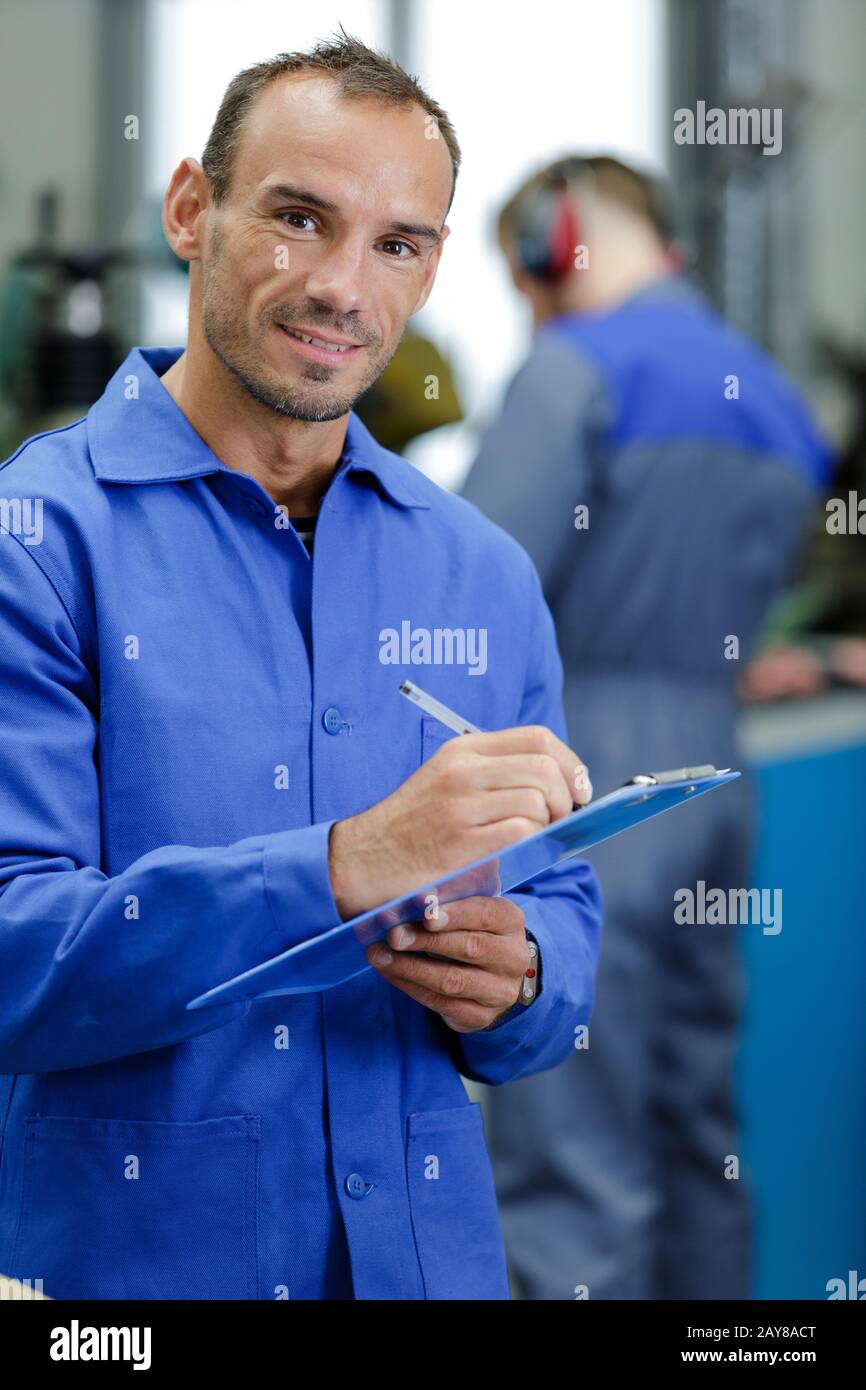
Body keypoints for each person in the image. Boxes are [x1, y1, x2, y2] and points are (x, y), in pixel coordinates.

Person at [0, 37, 601, 1302]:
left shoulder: (479, 573)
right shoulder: (42, 544)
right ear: (188, 210)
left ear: (432, 266)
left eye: (395, 244)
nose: (342, 286)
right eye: (297, 217)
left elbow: (562, 920)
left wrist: (525, 978)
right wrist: (344, 867)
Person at [461, 154, 833, 1300]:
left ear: (549, 245)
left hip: (588, 788)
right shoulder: (776, 398)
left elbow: (473, 594)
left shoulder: (576, 371)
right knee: (690, 1129)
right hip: (712, 785)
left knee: (571, 1145)